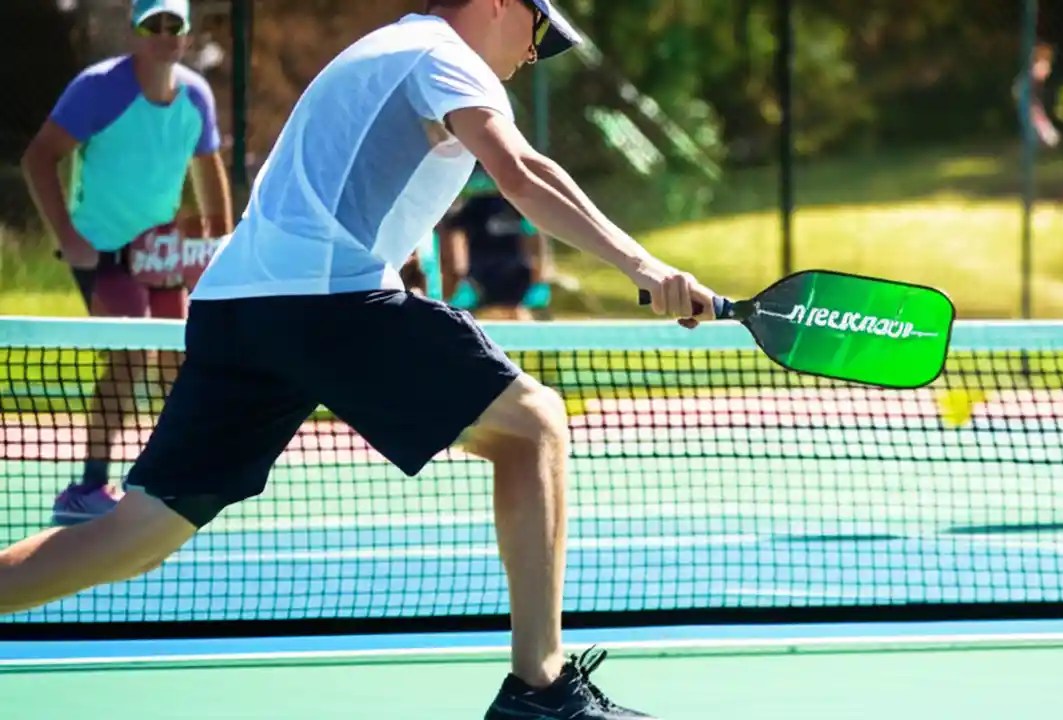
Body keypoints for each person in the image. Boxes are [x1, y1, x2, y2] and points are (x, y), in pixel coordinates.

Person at [0, 2, 712, 718]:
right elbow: (521, 173)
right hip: (323, 299)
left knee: (136, 534)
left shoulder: (385, 51)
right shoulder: (446, 56)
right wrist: (644, 265)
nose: (532, 56)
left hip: (237, 307)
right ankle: (541, 689)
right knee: (535, 424)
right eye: (537, 33)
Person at [20, 0, 232, 526]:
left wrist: (220, 246)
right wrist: (68, 237)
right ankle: (88, 486)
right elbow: (39, 158)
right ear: (136, 31)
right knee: (130, 355)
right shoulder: (97, 89)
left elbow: (210, 172)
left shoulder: (196, 96)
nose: (163, 33)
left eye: (173, 24)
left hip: (161, 251)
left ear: (186, 34)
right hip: (103, 250)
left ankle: (173, 475)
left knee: (176, 361)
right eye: (152, 24)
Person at [443, 170, 550, 320]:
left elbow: (534, 236)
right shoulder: (473, 208)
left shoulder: (515, 208)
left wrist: (540, 270)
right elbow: (455, 234)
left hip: (507, 271)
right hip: (486, 271)